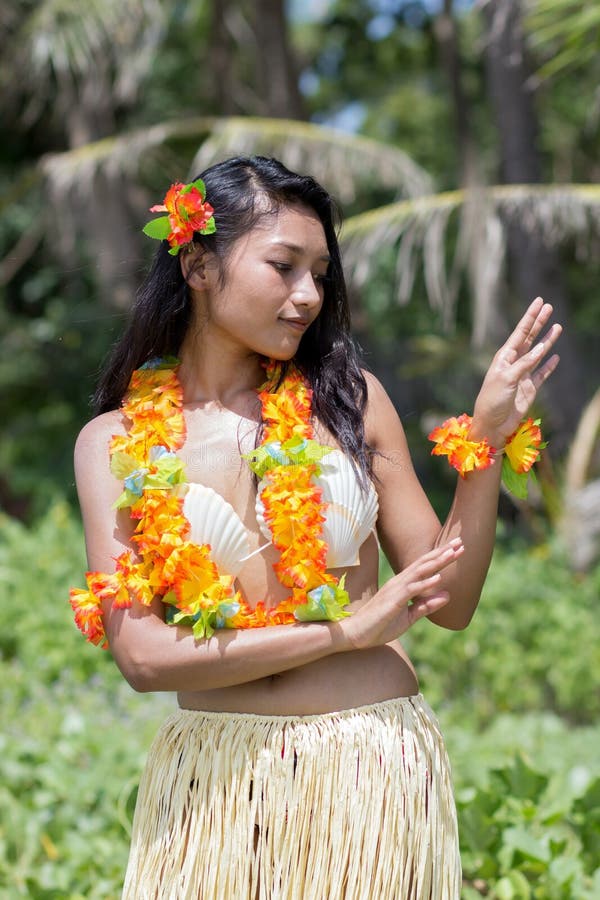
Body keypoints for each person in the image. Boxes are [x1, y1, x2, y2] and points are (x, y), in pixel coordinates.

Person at [71, 156, 561, 899]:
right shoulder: (114, 442)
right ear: (198, 264)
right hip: (214, 785)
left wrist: (484, 445)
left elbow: (450, 602)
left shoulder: (350, 403)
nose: (308, 295)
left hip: (367, 772)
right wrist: (347, 632)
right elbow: (142, 656)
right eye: (283, 266)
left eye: (321, 273)